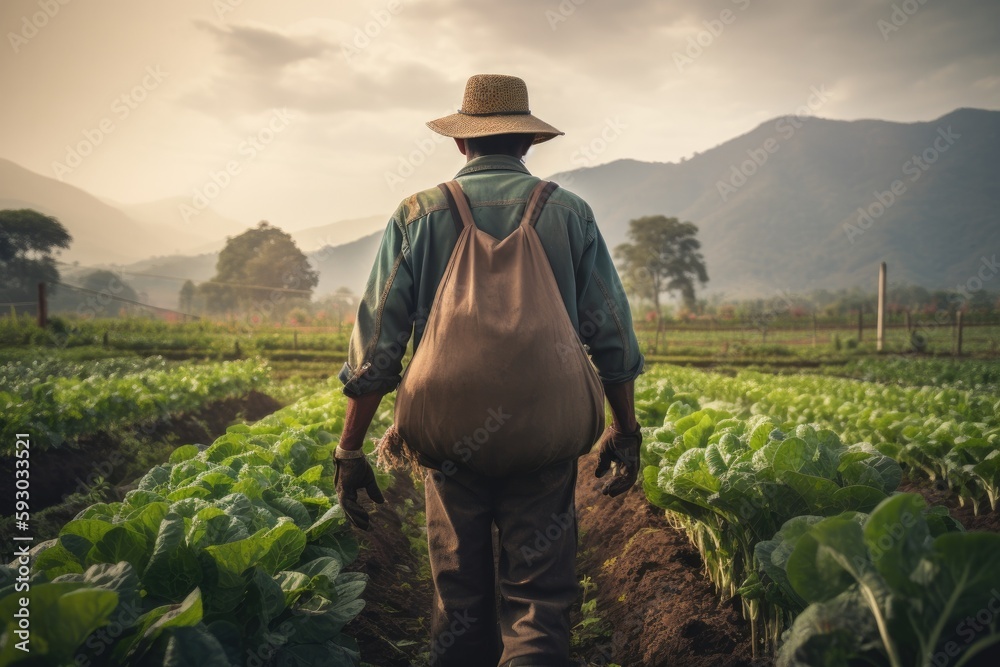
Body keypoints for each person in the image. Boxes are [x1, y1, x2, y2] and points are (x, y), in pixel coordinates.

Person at [334, 74, 644, 667]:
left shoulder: (417, 213)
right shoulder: (571, 212)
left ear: (461, 143)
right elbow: (611, 332)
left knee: (459, 593)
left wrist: (350, 449)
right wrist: (624, 430)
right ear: (527, 144)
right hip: (545, 428)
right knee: (539, 596)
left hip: (447, 428)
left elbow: (377, 346)